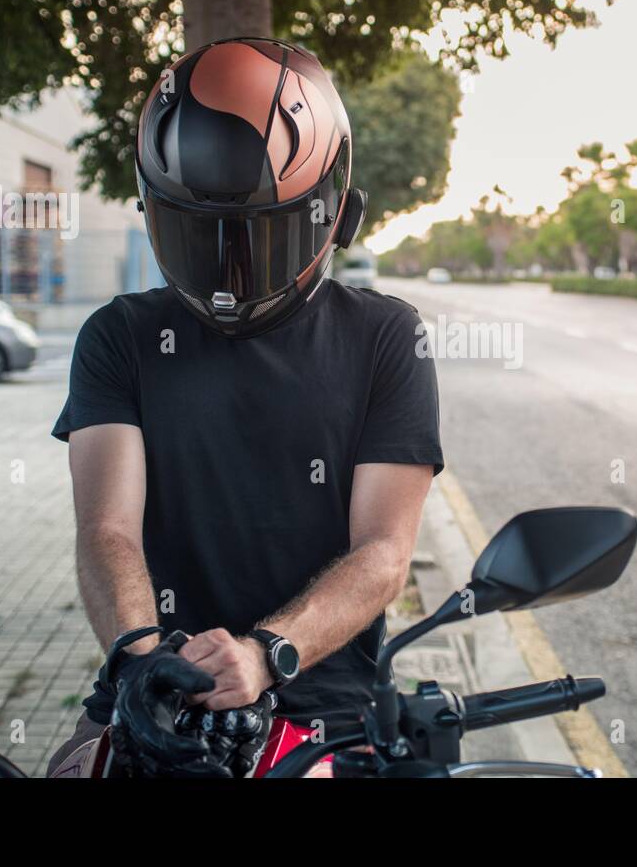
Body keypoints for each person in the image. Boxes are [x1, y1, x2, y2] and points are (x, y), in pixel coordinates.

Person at [46, 38, 442, 777]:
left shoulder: (387, 336)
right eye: (198, 235)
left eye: (257, 237)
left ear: (334, 211)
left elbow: (384, 551)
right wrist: (142, 662)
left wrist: (266, 653)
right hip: (151, 693)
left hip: (320, 697)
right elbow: (106, 529)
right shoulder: (119, 337)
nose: (227, 274)